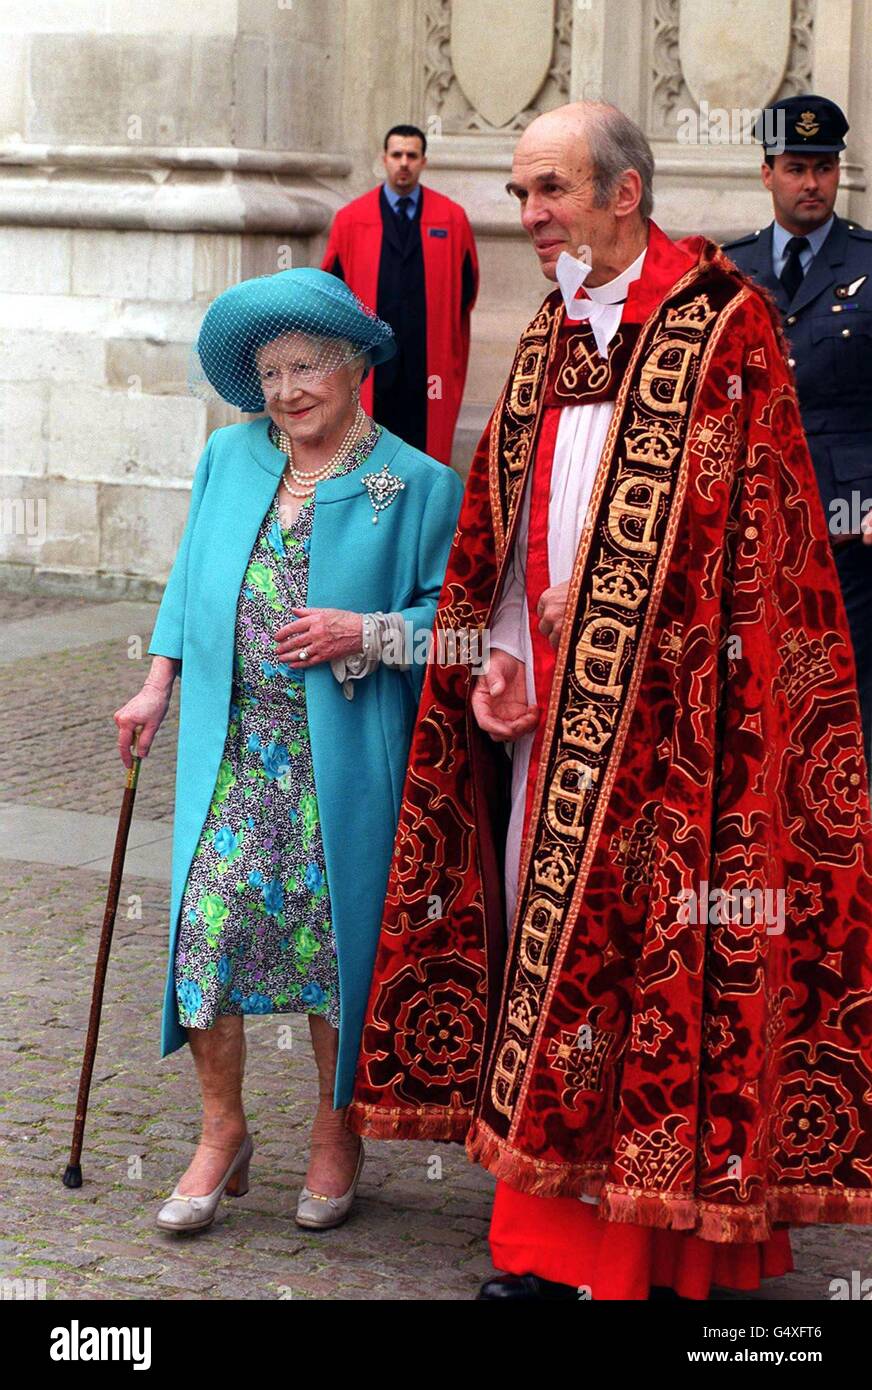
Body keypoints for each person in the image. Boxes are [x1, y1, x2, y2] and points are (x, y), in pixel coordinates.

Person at [346, 102, 872, 1300]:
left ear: (622, 193)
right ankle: (545, 1240)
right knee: (557, 970)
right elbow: (501, 518)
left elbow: (760, 546)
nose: (526, 216)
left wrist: (642, 646)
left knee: (653, 976)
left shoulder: (721, 325)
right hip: (551, 741)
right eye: (521, 193)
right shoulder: (542, 333)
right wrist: (493, 655)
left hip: (688, 747)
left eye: (548, 191)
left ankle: (650, 1250)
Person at [113, 267, 463, 1235]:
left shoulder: (414, 484)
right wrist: (156, 681)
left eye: (304, 365)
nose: (284, 390)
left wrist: (364, 631)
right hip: (233, 752)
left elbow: (454, 625)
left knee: (333, 951)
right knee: (204, 938)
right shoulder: (231, 460)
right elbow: (190, 579)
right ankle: (221, 1131)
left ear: (352, 369)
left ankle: (333, 1127)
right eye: (268, 373)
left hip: (340, 761)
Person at [723, 95, 872, 769]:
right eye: (795, 167)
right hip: (754, 511)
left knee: (849, 684)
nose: (811, 183)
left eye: (824, 168)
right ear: (766, 173)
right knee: (760, 676)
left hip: (852, 516)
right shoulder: (731, 271)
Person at [321, 124, 479, 464]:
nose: (403, 163)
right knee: (366, 451)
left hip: (427, 365)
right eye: (397, 155)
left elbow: (466, 293)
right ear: (384, 159)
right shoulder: (351, 220)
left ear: (423, 161)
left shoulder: (451, 219)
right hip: (372, 364)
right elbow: (332, 294)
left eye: (411, 155)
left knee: (423, 456)